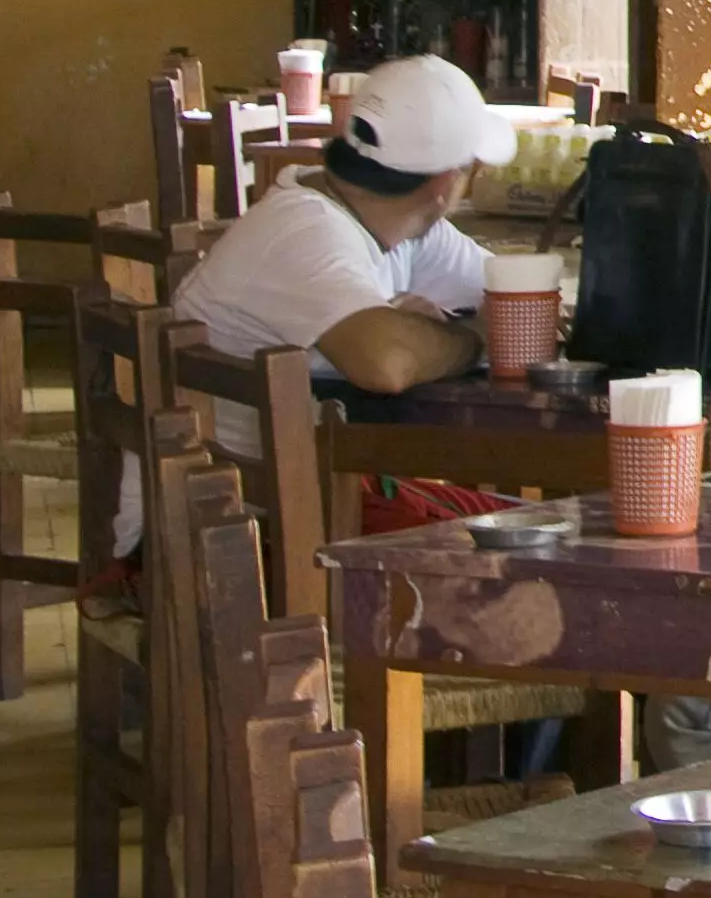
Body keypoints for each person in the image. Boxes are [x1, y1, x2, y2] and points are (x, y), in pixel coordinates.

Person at [107, 50, 513, 553]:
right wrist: (470, 338)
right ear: (447, 180)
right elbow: (385, 362)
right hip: (211, 541)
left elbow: (512, 294)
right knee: (526, 555)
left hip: (279, 511)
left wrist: (429, 334)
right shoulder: (304, 229)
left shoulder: (398, 226)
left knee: (521, 531)